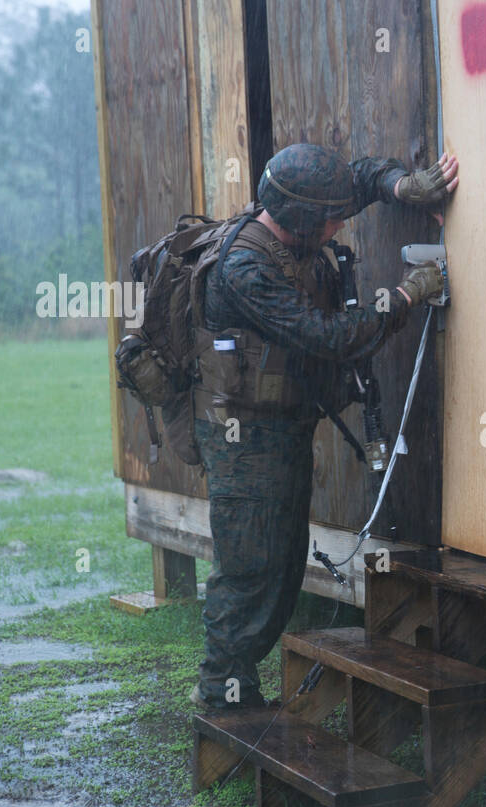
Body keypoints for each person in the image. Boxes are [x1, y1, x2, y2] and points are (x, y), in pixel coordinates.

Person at [188, 142, 458, 709]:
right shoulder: (245, 269)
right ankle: (224, 696)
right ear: (306, 221)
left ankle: (236, 690)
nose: (342, 221)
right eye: (333, 217)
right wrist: (407, 294)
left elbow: (355, 178)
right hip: (242, 438)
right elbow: (331, 337)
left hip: (282, 427)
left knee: (284, 565)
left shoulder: (297, 209)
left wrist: (401, 185)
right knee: (250, 568)